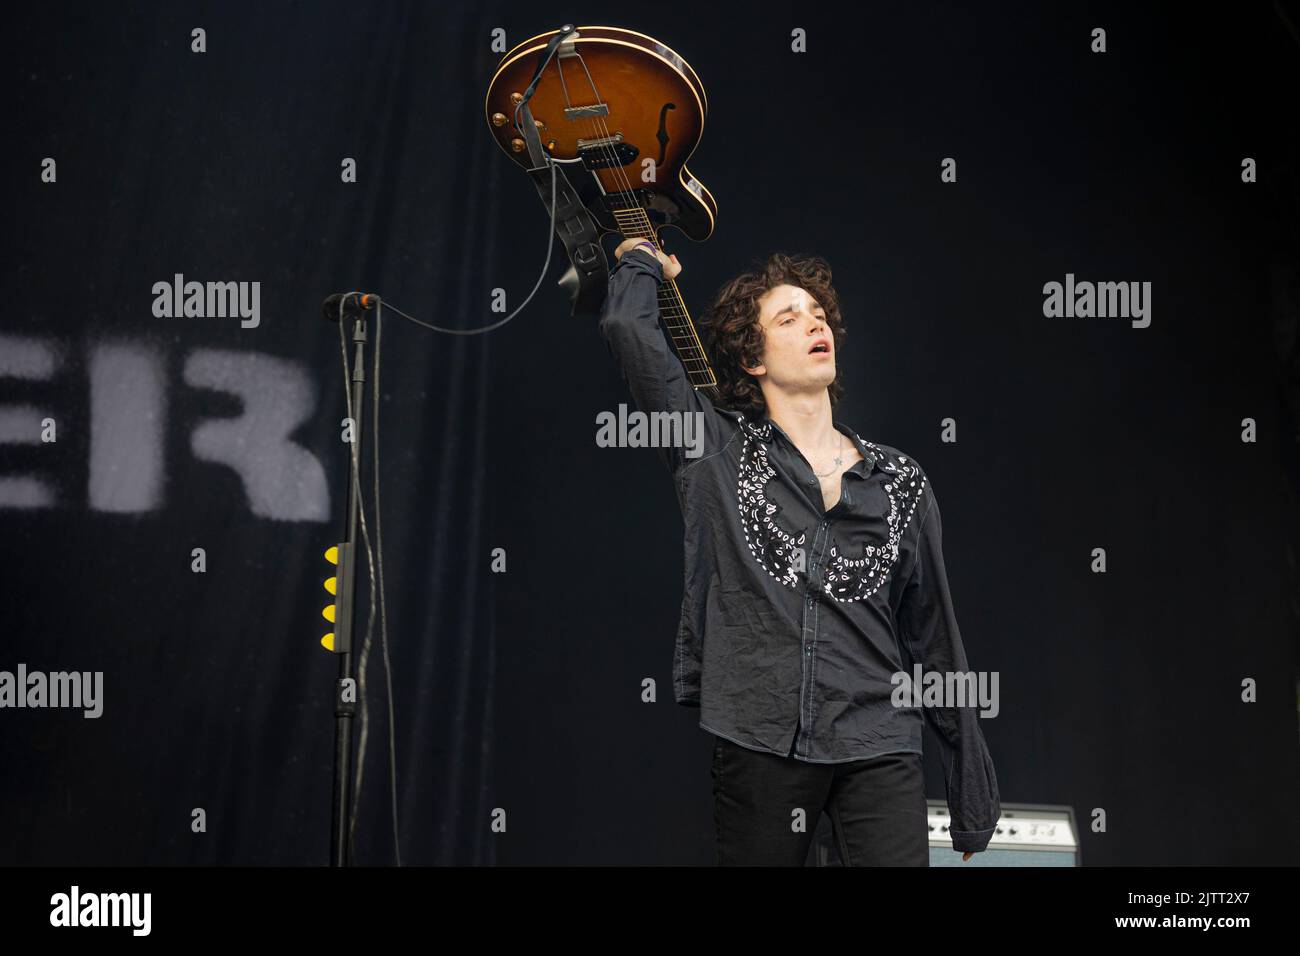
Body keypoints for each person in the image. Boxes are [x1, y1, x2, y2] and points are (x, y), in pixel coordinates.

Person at [597, 236, 1001, 866]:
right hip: (759, 736)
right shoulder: (713, 449)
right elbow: (628, 328)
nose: (815, 322)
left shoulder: (901, 480)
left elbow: (933, 634)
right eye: (789, 317)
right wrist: (643, 261)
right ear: (752, 358)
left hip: (879, 737)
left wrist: (970, 788)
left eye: (819, 314)